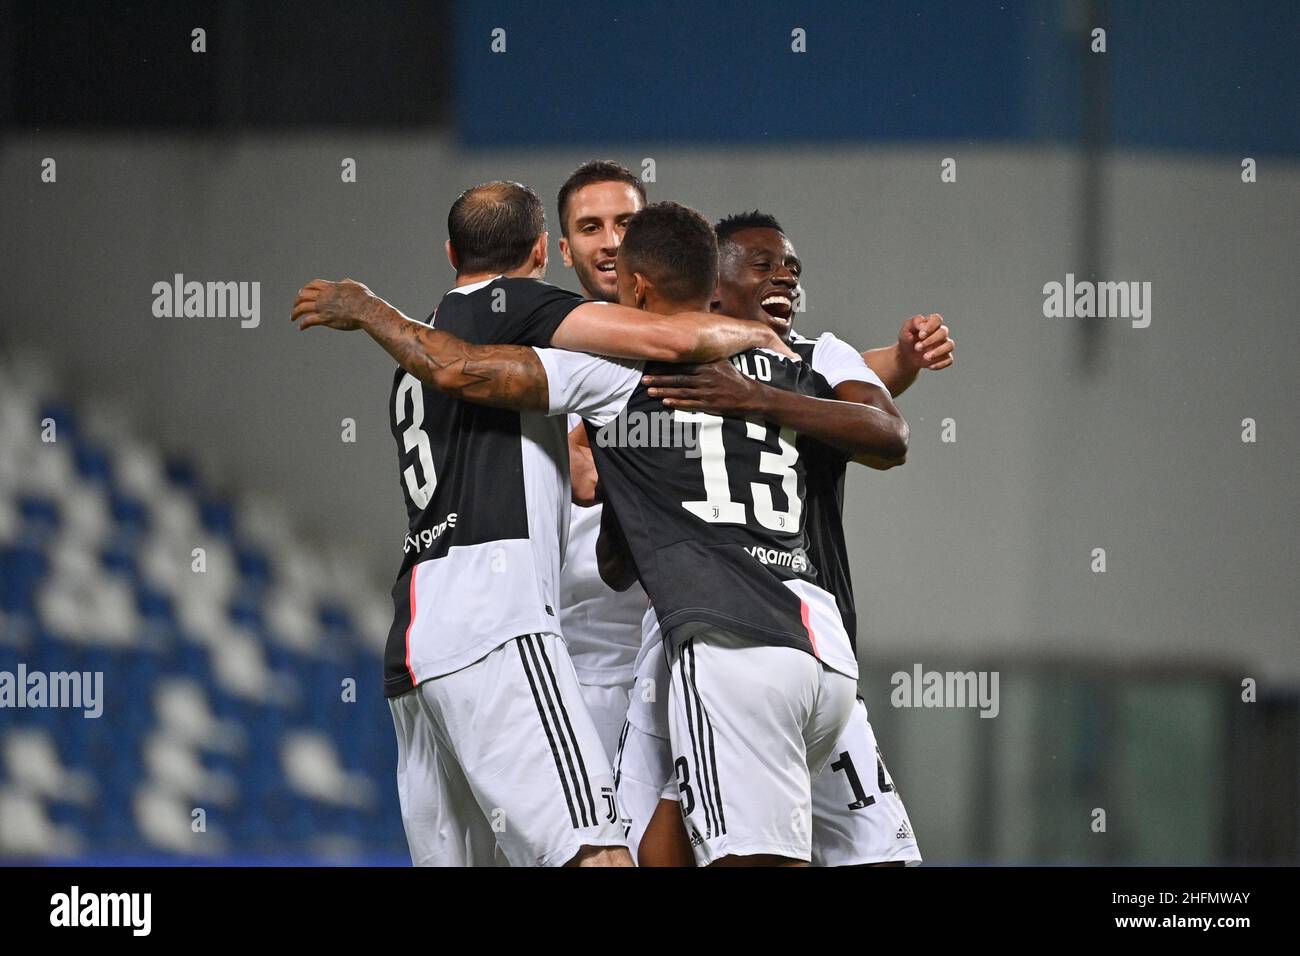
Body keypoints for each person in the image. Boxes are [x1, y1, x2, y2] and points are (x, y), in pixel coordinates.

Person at [291, 181, 786, 867]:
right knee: (600, 855)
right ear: (540, 253)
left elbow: (574, 474)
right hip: (498, 623)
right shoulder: (513, 306)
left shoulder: (420, 350)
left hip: (415, 644)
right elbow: (667, 337)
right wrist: (755, 333)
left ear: (449, 251)